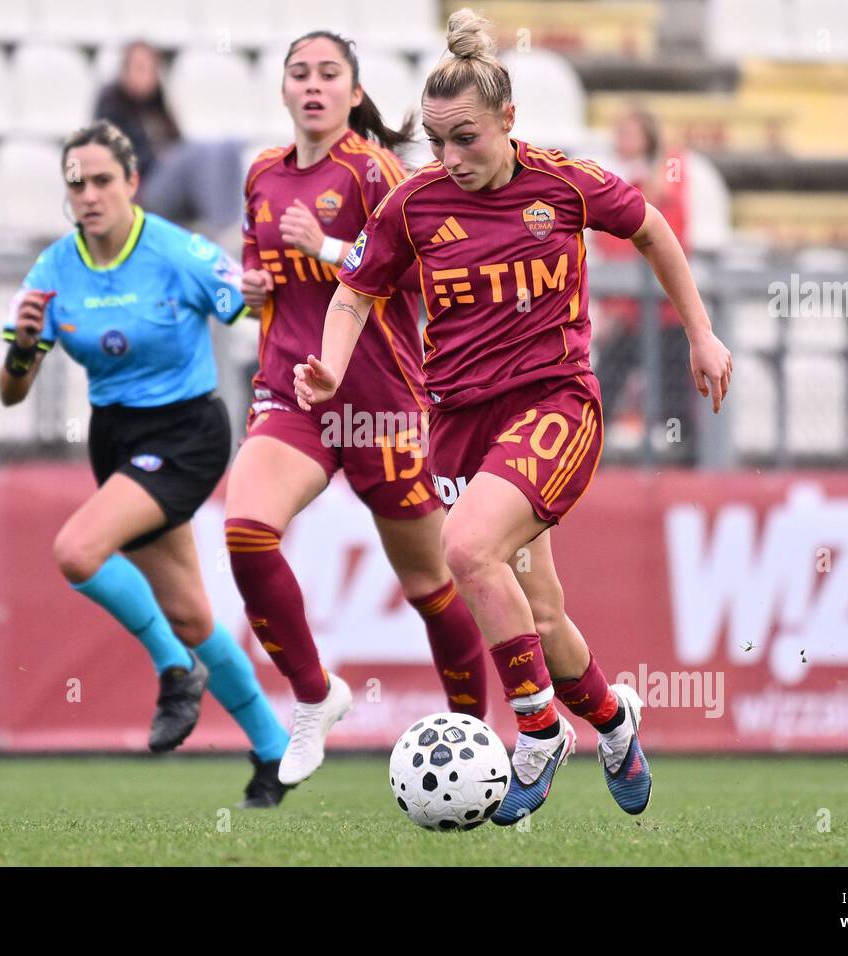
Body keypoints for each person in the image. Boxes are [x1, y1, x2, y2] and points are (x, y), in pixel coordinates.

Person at [295, 9, 733, 823]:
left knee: (465, 549)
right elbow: (356, 290)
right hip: (460, 421)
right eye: (434, 141)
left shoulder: (564, 184)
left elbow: (654, 230)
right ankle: (610, 720)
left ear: (508, 120)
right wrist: (330, 362)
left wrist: (701, 333)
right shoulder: (415, 206)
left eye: (465, 138)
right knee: (541, 614)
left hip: (554, 403)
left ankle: (534, 729)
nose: (448, 158)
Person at [0, 120, 291, 807]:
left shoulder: (175, 250)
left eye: (103, 180)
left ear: (132, 183)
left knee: (76, 550)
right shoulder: (51, 270)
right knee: (191, 612)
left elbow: (248, 301)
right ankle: (275, 751)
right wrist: (23, 349)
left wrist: (254, 294)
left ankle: (172, 670)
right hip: (117, 440)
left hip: (187, 432)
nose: (89, 194)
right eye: (77, 183)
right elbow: (12, 392)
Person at [226, 30, 489, 787]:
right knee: (246, 531)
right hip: (294, 392)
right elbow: (263, 278)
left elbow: (423, 280)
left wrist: (335, 248)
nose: (313, 85)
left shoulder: (374, 173)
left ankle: (474, 740)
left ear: (353, 91)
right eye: (299, 73)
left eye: (328, 73)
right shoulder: (262, 177)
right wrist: (250, 293)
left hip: (380, 402)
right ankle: (315, 696)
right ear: (282, 90)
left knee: (432, 587)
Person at [591, 106, 696, 461]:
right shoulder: (618, 179)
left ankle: (683, 463)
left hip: (660, 314)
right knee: (602, 389)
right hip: (631, 314)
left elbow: (670, 239)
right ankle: (587, 460)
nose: (620, 139)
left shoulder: (666, 174)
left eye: (629, 132)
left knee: (674, 399)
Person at [94, 41, 243, 230]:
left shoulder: (157, 104)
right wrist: (160, 158)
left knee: (229, 146)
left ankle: (231, 226)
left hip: (167, 183)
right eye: (140, 68)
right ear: (125, 70)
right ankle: (220, 227)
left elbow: (176, 141)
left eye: (151, 68)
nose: (147, 74)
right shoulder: (112, 105)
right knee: (197, 151)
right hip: (142, 189)